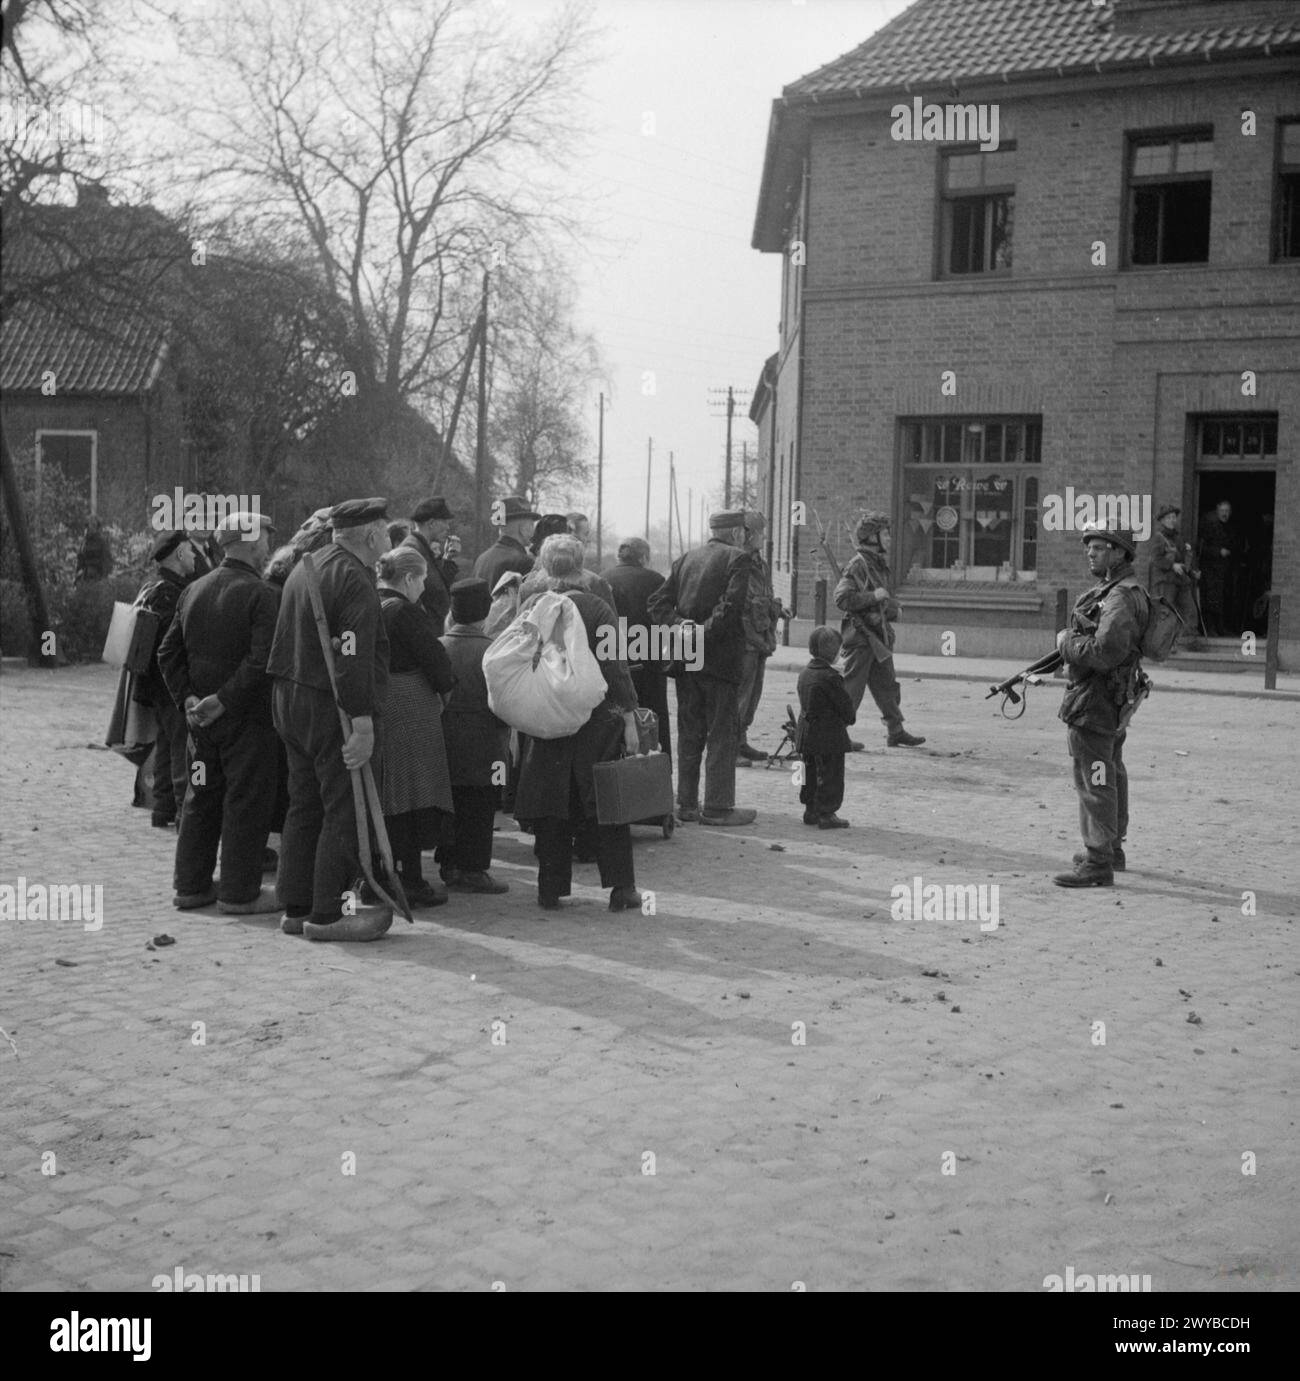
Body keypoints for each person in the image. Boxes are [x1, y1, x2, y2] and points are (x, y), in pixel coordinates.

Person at [268, 498, 393, 941]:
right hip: (329, 705)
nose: (389, 538)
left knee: (304, 803)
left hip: (288, 697)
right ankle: (327, 914)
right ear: (372, 536)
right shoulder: (355, 579)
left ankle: (296, 907)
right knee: (343, 807)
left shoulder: (307, 564)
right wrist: (362, 722)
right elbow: (354, 658)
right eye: (386, 530)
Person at [158, 511, 281, 913]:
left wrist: (190, 699)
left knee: (200, 798)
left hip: (201, 725)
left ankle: (191, 887)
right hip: (246, 721)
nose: (267, 546)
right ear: (247, 543)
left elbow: (167, 652)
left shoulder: (192, 591)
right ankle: (239, 893)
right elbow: (263, 660)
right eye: (264, 538)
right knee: (246, 801)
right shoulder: (262, 595)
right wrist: (225, 699)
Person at [513, 534, 643, 912]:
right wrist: (630, 711)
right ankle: (621, 888)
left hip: (547, 715)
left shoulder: (533, 605)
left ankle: (549, 889)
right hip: (595, 716)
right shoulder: (598, 608)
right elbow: (617, 668)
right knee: (606, 797)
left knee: (553, 800)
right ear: (581, 565)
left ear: (545, 566)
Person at [1054, 525, 1149, 888]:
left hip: (1096, 699)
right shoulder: (1125, 590)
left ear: (1120, 553)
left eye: (1098, 548)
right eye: (1089, 548)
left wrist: (1066, 643)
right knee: (1110, 769)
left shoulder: (1119, 597)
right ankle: (1112, 848)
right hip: (1114, 698)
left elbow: (1105, 651)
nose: (1089, 554)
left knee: (1094, 776)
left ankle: (1098, 862)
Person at [647, 510, 755, 826]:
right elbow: (731, 607)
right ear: (737, 532)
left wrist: (682, 627)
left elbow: (657, 604)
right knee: (722, 731)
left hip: (686, 659)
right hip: (721, 660)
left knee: (690, 730)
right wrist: (704, 631)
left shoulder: (685, 559)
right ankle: (719, 807)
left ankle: (687, 804)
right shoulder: (738, 559)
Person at [375, 546, 457, 908]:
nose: (424, 587)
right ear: (408, 578)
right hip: (409, 704)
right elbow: (434, 657)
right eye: (422, 579)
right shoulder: (405, 612)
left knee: (387, 791)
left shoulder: (369, 603)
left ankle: (380, 874)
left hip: (379, 703)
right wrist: (445, 689)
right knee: (413, 792)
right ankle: (410, 879)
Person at [439, 578, 510, 893]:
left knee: (450, 800)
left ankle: (449, 862)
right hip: (487, 743)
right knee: (482, 804)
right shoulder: (494, 650)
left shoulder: (438, 645)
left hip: (445, 739)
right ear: (485, 612)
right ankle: (474, 869)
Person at [833, 511, 925, 747]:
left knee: (887, 687)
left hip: (878, 638)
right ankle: (836, 733)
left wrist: (892, 608)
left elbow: (880, 601)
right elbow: (842, 598)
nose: (888, 538)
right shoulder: (858, 565)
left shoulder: (875, 564)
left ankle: (895, 730)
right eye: (884, 533)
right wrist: (873, 596)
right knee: (852, 689)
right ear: (872, 537)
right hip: (862, 637)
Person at [134, 531, 199, 827]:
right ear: (179, 555)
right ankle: (182, 812)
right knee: (180, 744)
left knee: (164, 743)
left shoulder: (153, 587)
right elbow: (171, 644)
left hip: (154, 685)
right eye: (190, 551)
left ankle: (162, 809)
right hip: (169, 684)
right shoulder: (171, 592)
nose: (195, 556)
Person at [605, 537, 671, 767]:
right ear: (643, 558)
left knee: (617, 720)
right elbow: (665, 617)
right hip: (649, 659)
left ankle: (618, 774)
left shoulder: (603, 579)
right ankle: (656, 771)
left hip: (614, 660)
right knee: (653, 717)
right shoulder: (655, 579)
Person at [735, 511, 786, 766]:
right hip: (745, 638)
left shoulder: (760, 563)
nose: (763, 537)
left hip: (760, 636)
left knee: (753, 693)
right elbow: (738, 603)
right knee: (741, 694)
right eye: (760, 532)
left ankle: (741, 740)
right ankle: (731, 747)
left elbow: (764, 593)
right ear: (747, 534)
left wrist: (775, 607)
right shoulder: (736, 561)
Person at [796, 626, 856, 829]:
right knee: (831, 775)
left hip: (806, 734)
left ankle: (810, 809)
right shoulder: (831, 677)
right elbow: (848, 711)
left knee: (810, 773)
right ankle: (827, 812)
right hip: (829, 736)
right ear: (832, 651)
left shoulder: (805, 673)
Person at [399, 496, 459, 636]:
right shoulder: (412, 550)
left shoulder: (423, 548)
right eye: (444, 521)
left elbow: (436, 587)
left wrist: (448, 559)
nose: (448, 527)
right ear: (431, 523)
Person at [1147, 503, 1199, 650]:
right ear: (1162, 520)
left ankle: (1187, 644)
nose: (1172, 520)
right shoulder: (1158, 538)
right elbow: (1155, 559)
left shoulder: (1178, 537)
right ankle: (1161, 646)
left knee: (1190, 611)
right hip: (1165, 582)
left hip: (1180, 581)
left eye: (1174, 517)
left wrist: (1192, 571)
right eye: (1169, 517)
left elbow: (1183, 560)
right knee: (1165, 614)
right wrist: (1171, 566)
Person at [473, 495, 539, 592]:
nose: (533, 530)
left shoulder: (482, 558)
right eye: (531, 525)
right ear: (523, 529)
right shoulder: (524, 562)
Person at [1197, 499, 1240, 636]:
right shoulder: (1209, 524)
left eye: (1227, 511)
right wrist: (1218, 552)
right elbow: (1200, 547)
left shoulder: (1229, 527)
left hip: (1223, 570)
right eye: (1222, 511)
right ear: (1217, 510)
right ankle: (1210, 629)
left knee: (1222, 599)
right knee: (1210, 600)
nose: (1225, 514)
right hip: (1210, 569)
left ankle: (1221, 628)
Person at [75, 515, 112, 584]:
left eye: (93, 525)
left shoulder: (102, 542)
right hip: (85, 576)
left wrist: (103, 578)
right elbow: (80, 560)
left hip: (97, 576)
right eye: (88, 525)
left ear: (97, 527)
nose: (90, 528)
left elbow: (106, 561)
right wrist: (77, 576)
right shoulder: (84, 542)